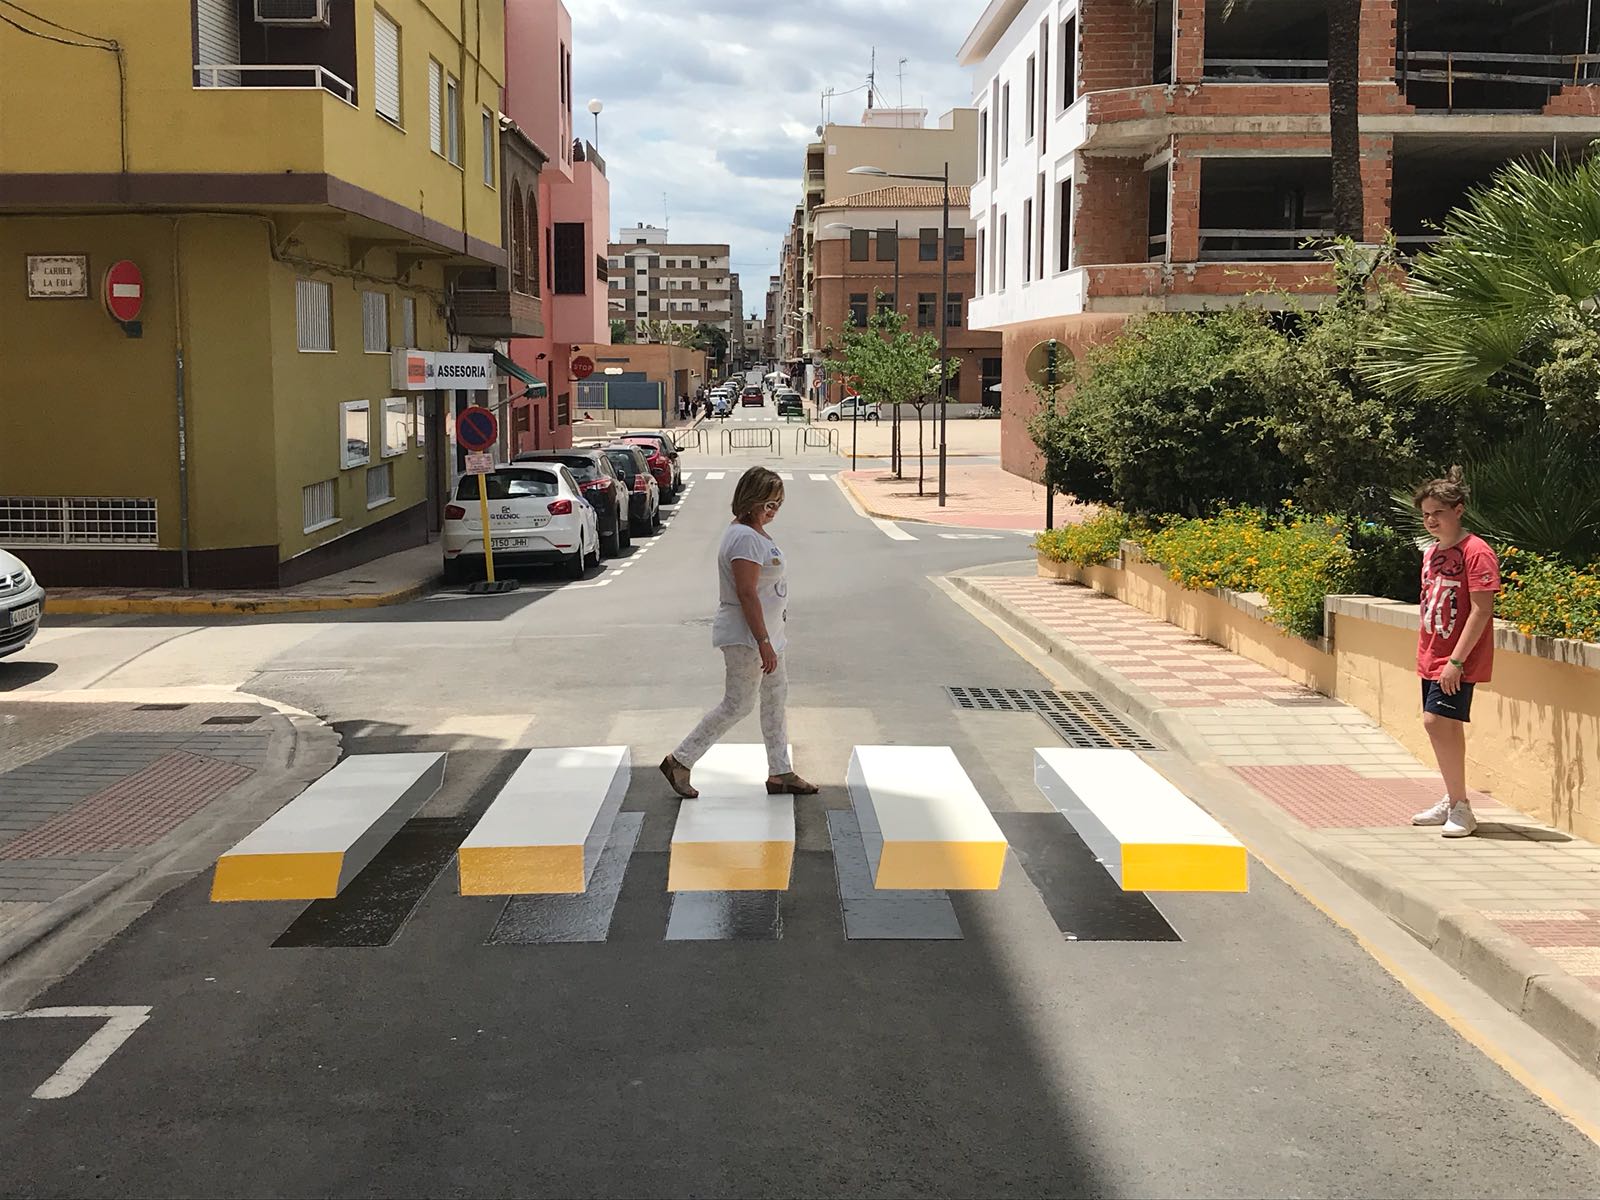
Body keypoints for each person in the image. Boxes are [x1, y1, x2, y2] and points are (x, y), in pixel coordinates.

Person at [660, 466, 818, 799]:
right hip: (748, 637)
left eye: (778, 504)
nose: (773, 511)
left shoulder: (753, 531)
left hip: (769, 635)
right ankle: (680, 760)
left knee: (775, 701)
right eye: (768, 504)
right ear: (750, 500)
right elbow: (746, 592)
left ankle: (781, 772)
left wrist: (771, 639)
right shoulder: (744, 537)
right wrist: (763, 642)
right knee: (738, 704)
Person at [1410, 470, 1501, 838]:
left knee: (1435, 722)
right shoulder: (1431, 552)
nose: (1432, 520)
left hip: (1457, 659)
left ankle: (1462, 808)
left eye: (1439, 512)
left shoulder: (1476, 552)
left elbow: (1481, 609)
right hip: (1431, 653)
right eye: (1426, 514)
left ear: (1459, 510)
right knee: (1444, 727)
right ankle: (1453, 799)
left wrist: (1456, 662)